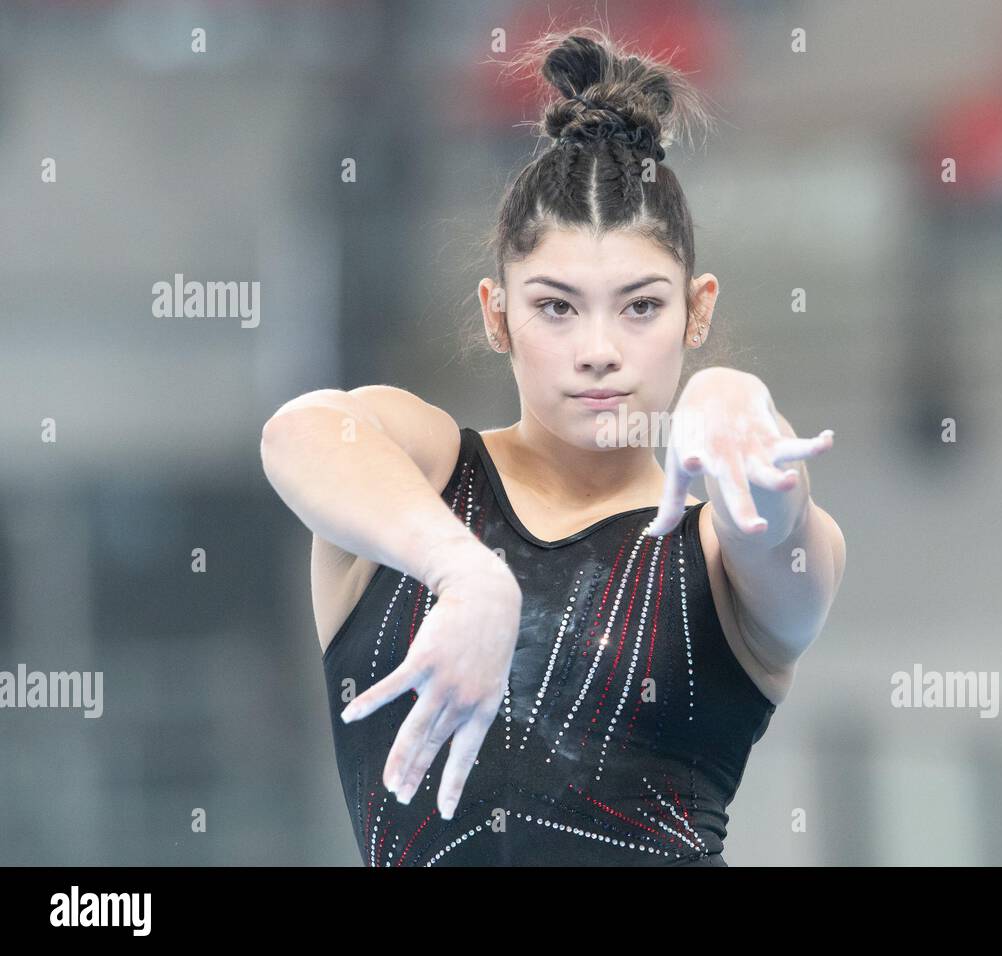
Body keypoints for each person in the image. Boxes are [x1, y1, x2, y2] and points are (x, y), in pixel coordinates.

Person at [260, 27, 845, 866]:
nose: (597, 349)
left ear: (699, 310)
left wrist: (736, 399)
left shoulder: (722, 553)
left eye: (640, 307)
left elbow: (781, 530)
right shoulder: (426, 476)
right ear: (498, 314)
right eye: (557, 307)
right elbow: (298, 432)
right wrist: (462, 572)